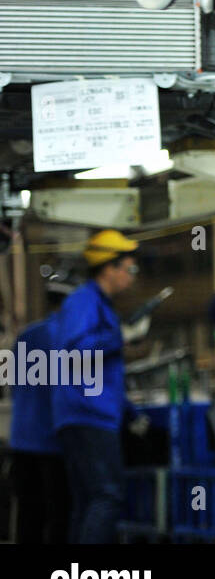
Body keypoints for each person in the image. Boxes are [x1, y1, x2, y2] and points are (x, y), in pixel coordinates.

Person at [49, 229, 152, 544]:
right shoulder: (84, 301)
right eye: (130, 269)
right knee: (107, 497)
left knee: (88, 503)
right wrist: (121, 335)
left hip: (89, 413)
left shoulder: (99, 306)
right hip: (88, 415)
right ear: (109, 268)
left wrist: (131, 413)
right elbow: (75, 352)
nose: (133, 277)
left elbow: (104, 373)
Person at [7, 315, 69, 543]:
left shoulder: (26, 336)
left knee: (28, 513)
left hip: (21, 438)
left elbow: (12, 383)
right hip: (53, 441)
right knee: (58, 514)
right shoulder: (70, 337)